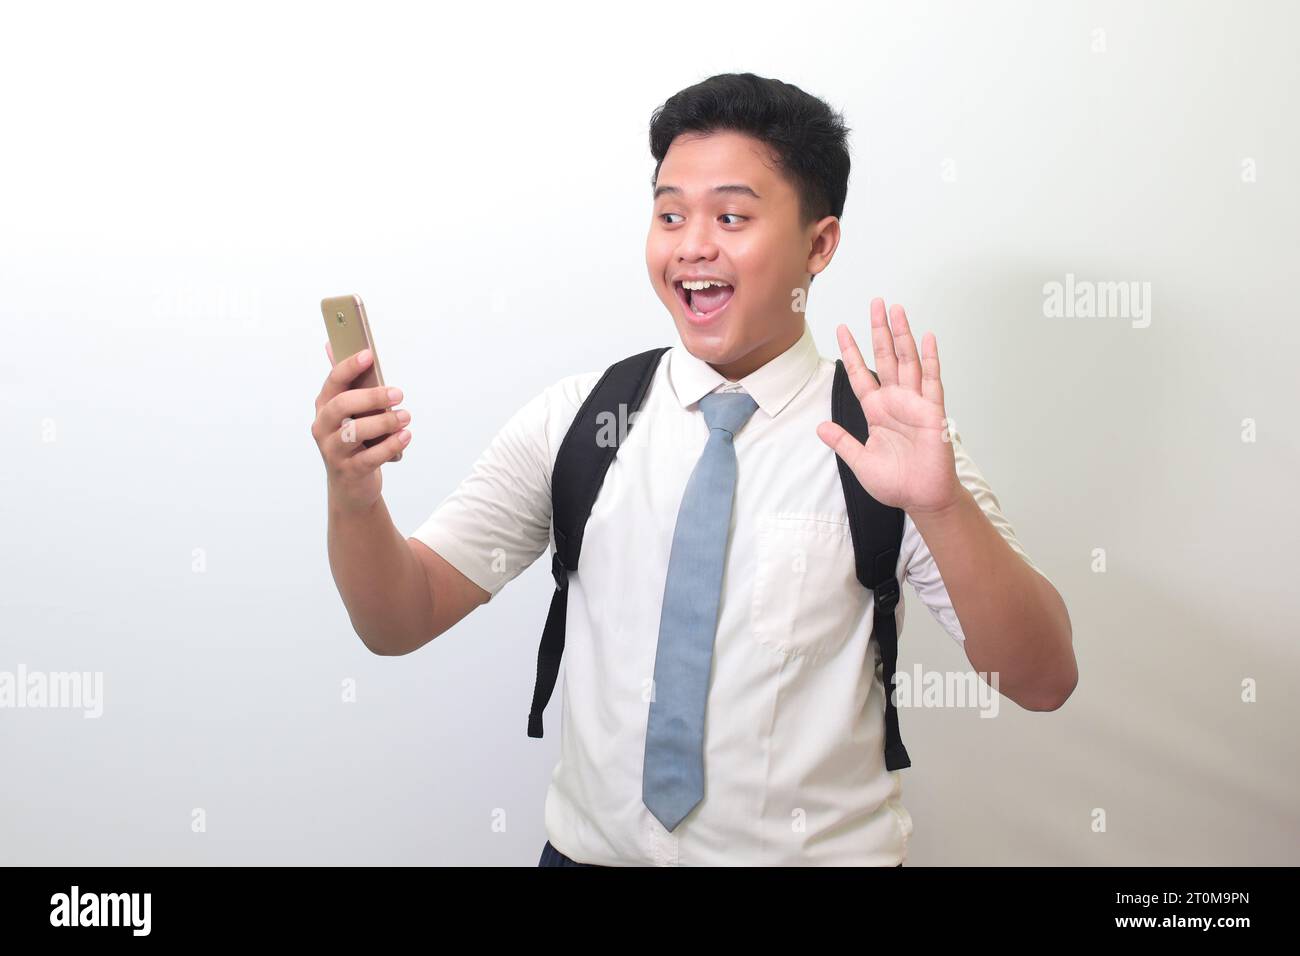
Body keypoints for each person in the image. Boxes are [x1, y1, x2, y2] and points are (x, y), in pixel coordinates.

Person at [312, 72, 1076, 867]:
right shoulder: (579, 420)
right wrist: (354, 496)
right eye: (669, 213)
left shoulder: (888, 439)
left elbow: (1042, 679)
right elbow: (398, 622)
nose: (692, 245)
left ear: (819, 245)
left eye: (732, 216)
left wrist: (942, 510)